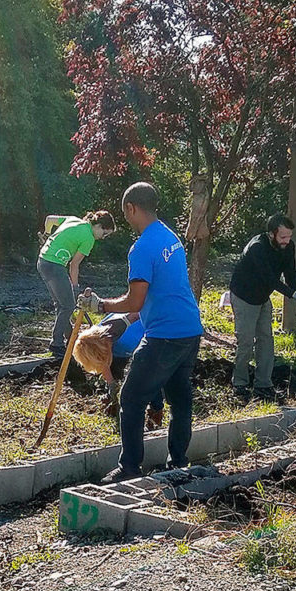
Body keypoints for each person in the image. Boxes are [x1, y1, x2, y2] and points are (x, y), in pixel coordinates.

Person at [80, 183, 202, 482]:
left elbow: (136, 301)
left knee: (132, 399)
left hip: (165, 334)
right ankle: (178, 464)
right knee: (180, 399)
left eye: (126, 213)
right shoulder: (170, 237)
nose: (127, 219)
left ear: (131, 208)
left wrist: (100, 304)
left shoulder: (143, 246)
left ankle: (129, 467)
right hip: (189, 329)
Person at [229, 214, 296, 400]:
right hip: (244, 296)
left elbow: (291, 273)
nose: (287, 241)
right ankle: (239, 384)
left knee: (266, 339)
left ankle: (263, 384)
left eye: (289, 236)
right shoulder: (257, 247)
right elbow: (270, 279)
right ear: (272, 234)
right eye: (283, 237)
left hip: (262, 297)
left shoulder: (288, 246)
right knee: (246, 341)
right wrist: (293, 295)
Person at [37, 210, 117, 358]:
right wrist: (75, 288)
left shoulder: (73, 219)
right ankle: (56, 344)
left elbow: (49, 219)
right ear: (98, 226)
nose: (103, 238)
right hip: (54, 265)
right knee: (68, 305)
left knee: (61, 305)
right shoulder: (89, 238)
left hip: (43, 261)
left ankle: (70, 339)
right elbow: (74, 265)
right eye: (104, 234)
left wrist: (47, 234)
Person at [72, 313, 164, 427]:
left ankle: (155, 412)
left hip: (158, 335)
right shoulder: (97, 337)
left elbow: (151, 365)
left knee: (148, 379)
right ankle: (114, 400)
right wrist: (112, 385)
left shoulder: (129, 339)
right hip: (118, 346)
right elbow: (103, 362)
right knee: (116, 369)